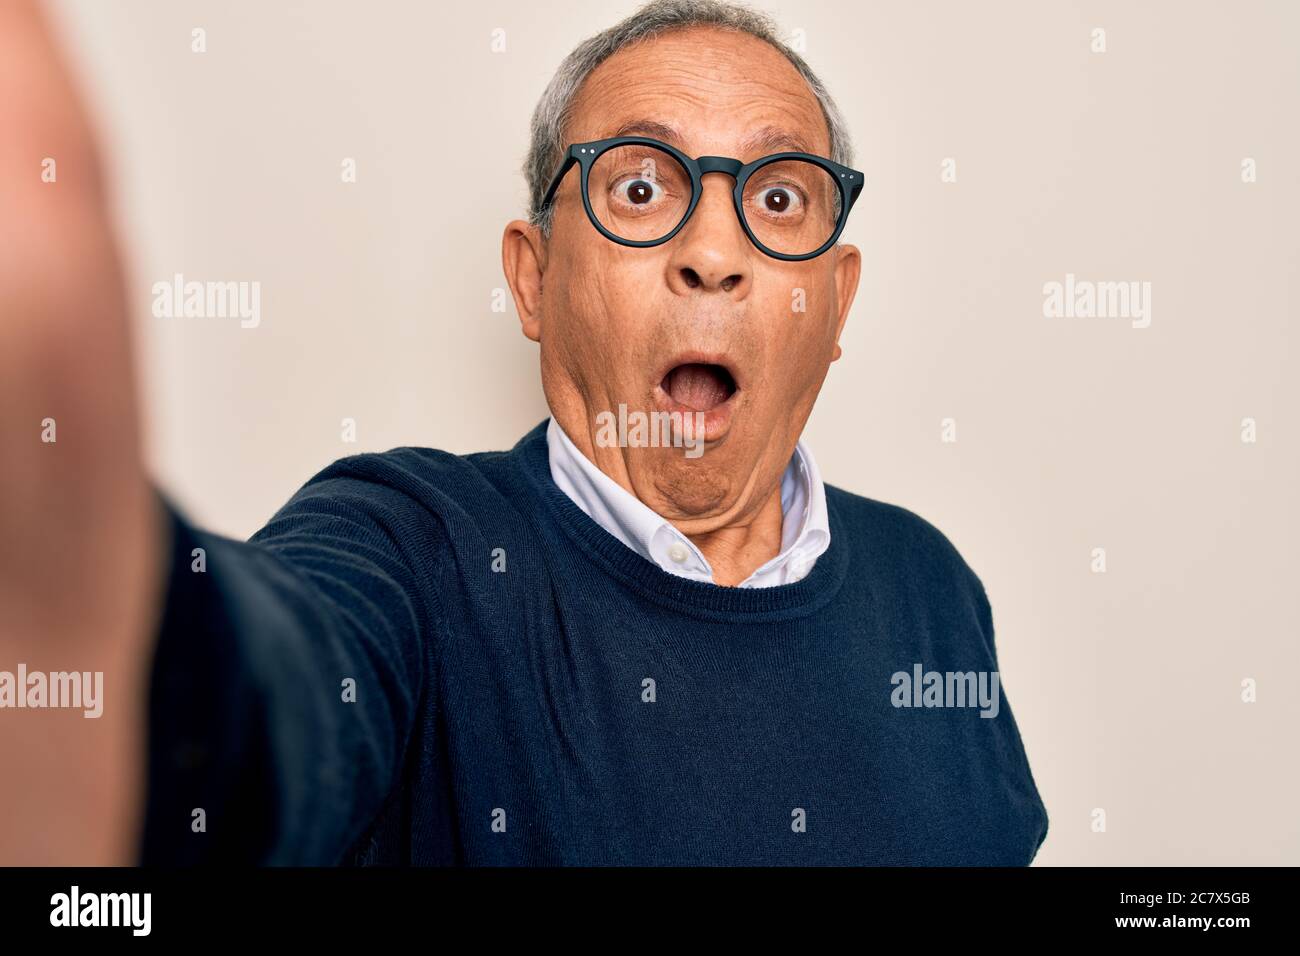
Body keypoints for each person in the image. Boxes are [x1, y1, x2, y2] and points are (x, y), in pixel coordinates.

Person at [0, 0, 1048, 865]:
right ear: (533, 277)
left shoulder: (932, 586)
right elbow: (278, 704)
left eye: (777, 198)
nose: (715, 252)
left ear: (835, 303)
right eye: (641, 186)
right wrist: (93, 609)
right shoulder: (414, 547)